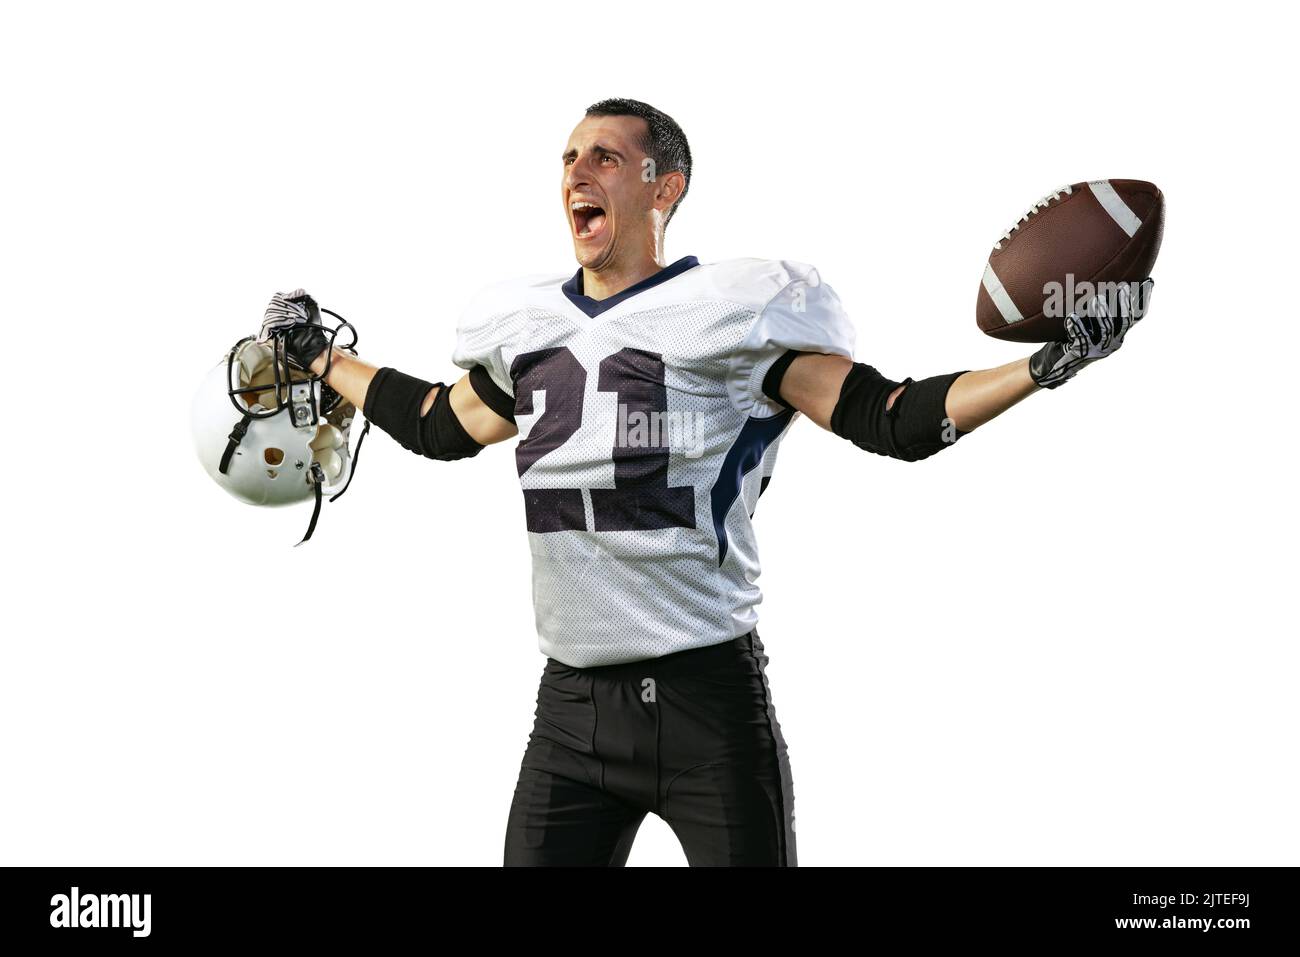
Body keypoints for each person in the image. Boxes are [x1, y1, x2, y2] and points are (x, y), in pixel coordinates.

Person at [261, 98, 1149, 866]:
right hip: (570, 712)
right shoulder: (525, 322)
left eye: (605, 155)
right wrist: (323, 357)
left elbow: (891, 417)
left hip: (707, 709)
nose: (579, 171)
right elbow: (440, 425)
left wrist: (1044, 365)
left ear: (664, 187)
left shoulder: (734, 309)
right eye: (569, 157)